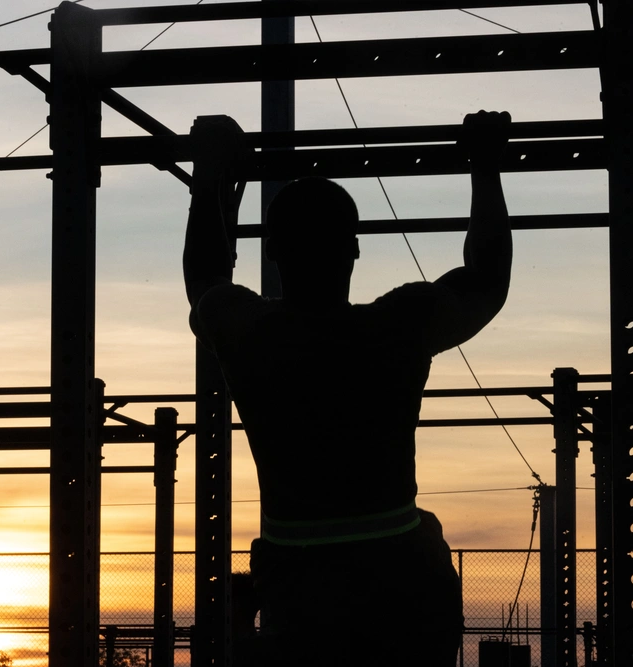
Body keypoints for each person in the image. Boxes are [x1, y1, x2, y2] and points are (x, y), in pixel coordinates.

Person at [184, 110, 512, 665]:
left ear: (272, 252)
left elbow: (207, 280)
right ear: (354, 249)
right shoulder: (396, 327)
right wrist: (485, 163)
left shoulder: (251, 335)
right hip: (402, 581)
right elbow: (488, 278)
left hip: (300, 581)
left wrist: (210, 173)